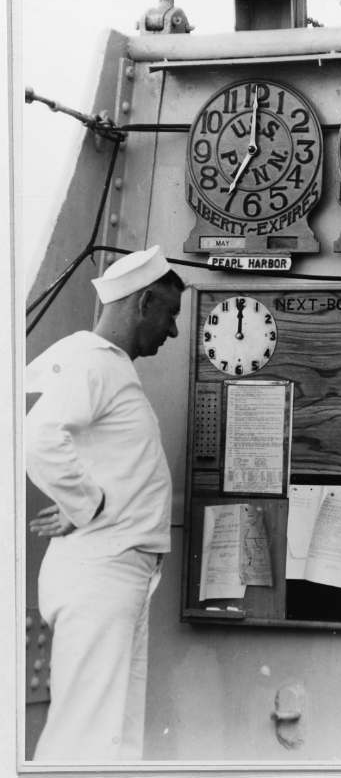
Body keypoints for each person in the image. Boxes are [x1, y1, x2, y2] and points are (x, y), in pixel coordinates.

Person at [26, 246, 185, 761]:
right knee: (86, 736)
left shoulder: (105, 366)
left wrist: (84, 504)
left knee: (113, 736)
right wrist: (85, 506)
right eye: (170, 314)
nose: (173, 331)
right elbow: (40, 438)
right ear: (142, 305)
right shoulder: (95, 363)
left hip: (119, 572)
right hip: (102, 572)